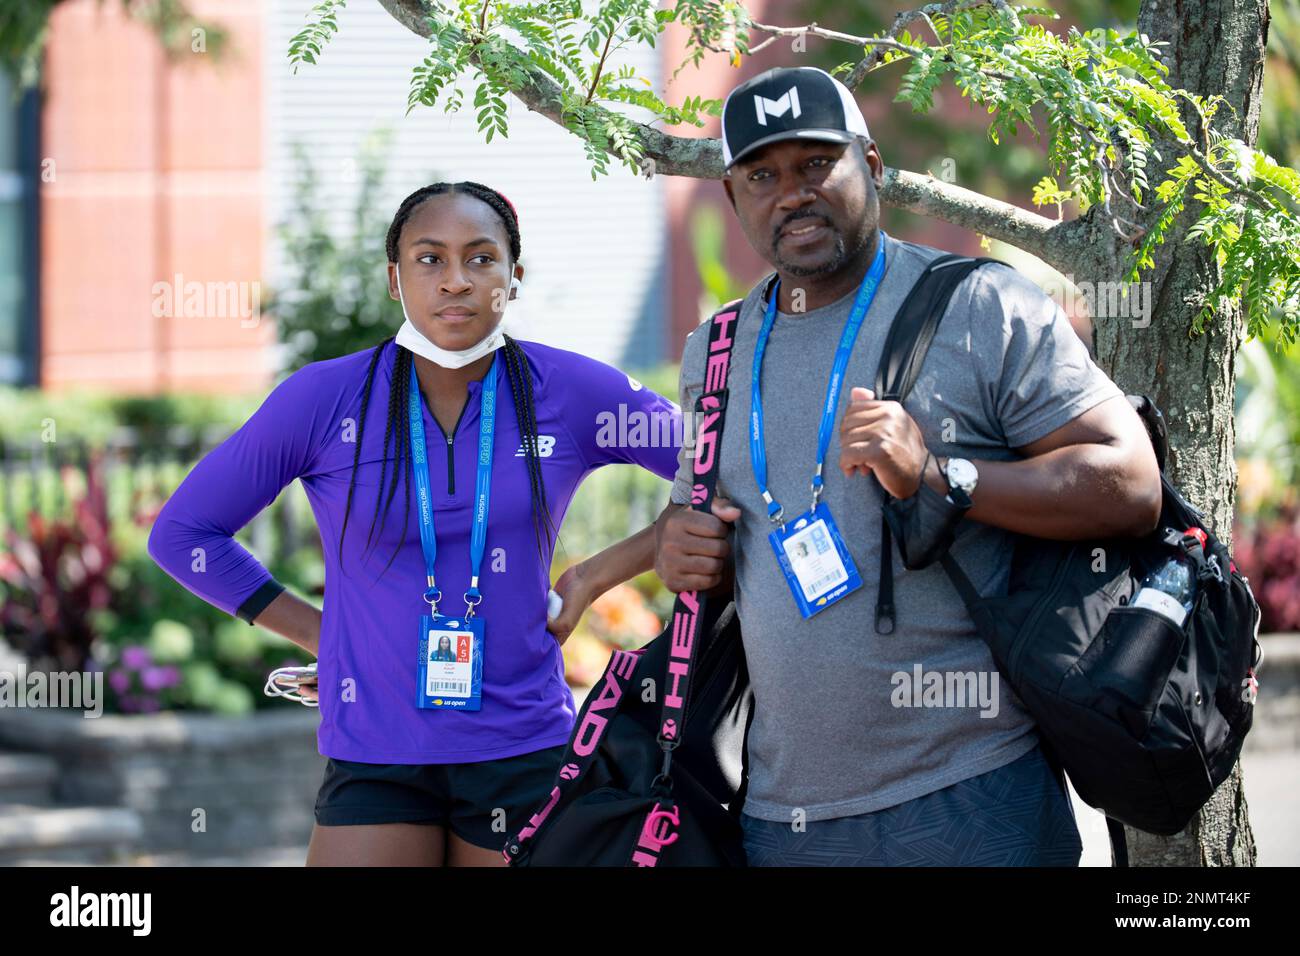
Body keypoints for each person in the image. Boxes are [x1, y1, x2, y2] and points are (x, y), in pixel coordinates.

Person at [653, 66, 1163, 866]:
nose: (793, 194)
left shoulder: (981, 303)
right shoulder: (712, 351)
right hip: (786, 817)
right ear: (732, 194)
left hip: (974, 790)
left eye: (817, 164)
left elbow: (1131, 485)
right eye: (764, 175)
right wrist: (682, 553)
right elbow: (712, 533)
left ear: (873, 167)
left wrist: (941, 474)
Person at [148, 181, 682, 866]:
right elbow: (184, 533)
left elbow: (717, 466)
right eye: (429, 259)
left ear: (514, 278)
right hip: (375, 752)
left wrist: (596, 575)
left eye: (481, 258)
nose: (456, 281)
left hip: (521, 748)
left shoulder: (571, 390)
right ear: (395, 279)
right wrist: (324, 634)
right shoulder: (324, 397)